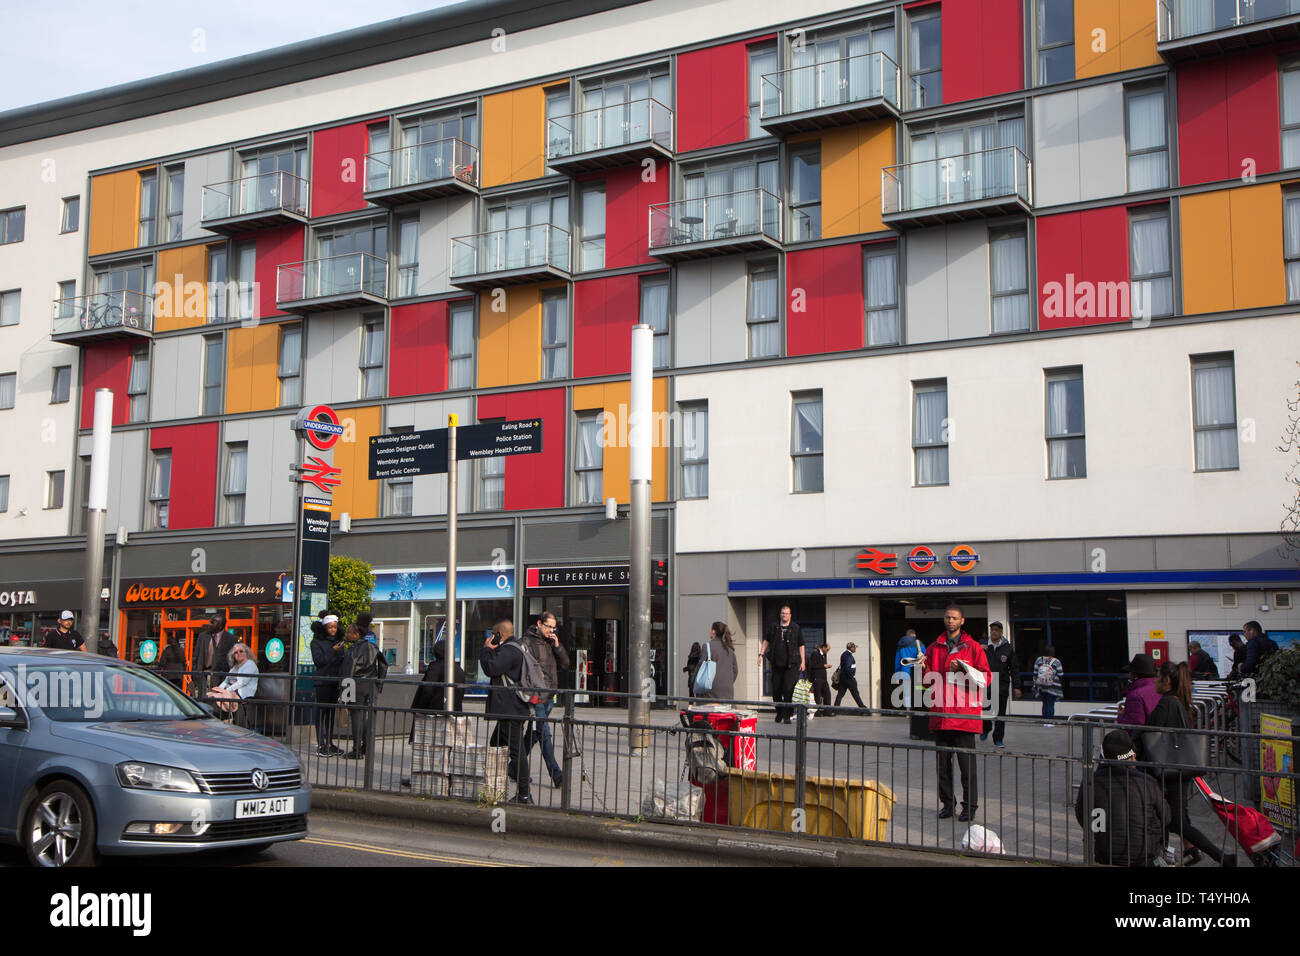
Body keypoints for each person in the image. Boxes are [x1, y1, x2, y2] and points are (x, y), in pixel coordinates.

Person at [1138, 661, 1236, 866]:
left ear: (1166, 681)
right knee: (1175, 817)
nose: (1155, 681)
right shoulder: (1178, 701)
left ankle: (1222, 857)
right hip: (1179, 768)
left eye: (1158, 677)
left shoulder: (1167, 703)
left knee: (1174, 820)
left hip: (1171, 770)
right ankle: (1189, 851)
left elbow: (1150, 731)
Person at [923, 605, 991, 822]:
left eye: (954, 618)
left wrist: (962, 669)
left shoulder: (973, 648)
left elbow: (986, 678)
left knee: (966, 767)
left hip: (964, 716)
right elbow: (928, 682)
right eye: (947, 617)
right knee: (943, 767)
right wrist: (923, 669)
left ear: (962, 621)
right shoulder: (934, 647)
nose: (950, 621)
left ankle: (969, 807)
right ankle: (947, 804)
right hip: (941, 715)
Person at [1074, 729, 1170, 867]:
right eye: (1134, 757)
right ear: (1131, 757)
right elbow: (1165, 817)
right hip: (1144, 854)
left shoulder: (1090, 781)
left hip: (1104, 853)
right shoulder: (1147, 782)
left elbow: (1082, 815)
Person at [480, 620, 533, 805]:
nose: (490, 637)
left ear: (499, 634)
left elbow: (490, 668)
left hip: (510, 709)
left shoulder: (509, 650)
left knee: (516, 752)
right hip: (512, 708)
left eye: (492, 634)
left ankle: (524, 795)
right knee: (495, 745)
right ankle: (495, 788)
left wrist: (487, 649)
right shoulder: (517, 647)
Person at [522, 612, 570, 788]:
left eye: (553, 627)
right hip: (537, 696)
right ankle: (557, 775)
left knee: (533, 734)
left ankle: (513, 767)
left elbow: (565, 664)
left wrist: (557, 646)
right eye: (548, 626)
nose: (551, 630)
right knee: (545, 735)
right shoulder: (528, 641)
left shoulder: (551, 642)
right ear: (539, 624)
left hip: (549, 695)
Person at [341, 622, 382, 759]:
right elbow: (383, 664)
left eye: (349, 632)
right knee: (364, 716)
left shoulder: (352, 649)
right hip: (371, 684)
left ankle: (356, 749)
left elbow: (348, 670)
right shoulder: (373, 647)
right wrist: (379, 682)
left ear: (357, 634)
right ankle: (365, 747)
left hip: (355, 684)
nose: (347, 634)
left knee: (356, 716)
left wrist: (343, 691)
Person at [759, 605, 804, 724]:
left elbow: (801, 645)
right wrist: (761, 654)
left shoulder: (795, 628)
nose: (784, 615)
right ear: (780, 614)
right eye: (783, 613)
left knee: (788, 690)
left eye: (787, 613)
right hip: (776, 665)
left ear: (790, 615)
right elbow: (766, 640)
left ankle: (787, 715)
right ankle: (779, 712)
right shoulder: (774, 627)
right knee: (776, 691)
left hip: (792, 665)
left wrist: (803, 661)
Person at [310, 615, 346, 757]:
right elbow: (319, 661)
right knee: (322, 712)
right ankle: (321, 744)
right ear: (324, 628)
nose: (333, 630)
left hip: (334, 680)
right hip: (322, 681)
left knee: (331, 713)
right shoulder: (316, 642)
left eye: (335, 627)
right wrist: (333, 650)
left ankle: (330, 743)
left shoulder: (339, 641)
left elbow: (341, 660)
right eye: (330, 627)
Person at [981, 622, 1021, 747]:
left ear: (1001, 632)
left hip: (1001, 685)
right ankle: (985, 728)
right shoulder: (983, 645)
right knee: (985, 710)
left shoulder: (1007, 648)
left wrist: (1017, 687)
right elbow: (967, 649)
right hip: (986, 684)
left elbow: (1014, 668)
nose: (994, 632)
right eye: (992, 629)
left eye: (997, 630)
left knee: (1000, 714)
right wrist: (978, 648)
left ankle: (998, 738)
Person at [208, 643, 259, 721]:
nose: (238, 653)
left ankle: (219, 717)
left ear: (246, 653)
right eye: (235, 652)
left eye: (241, 651)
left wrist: (226, 691)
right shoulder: (235, 666)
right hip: (231, 691)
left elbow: (242, 682)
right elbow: (226, 680)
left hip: (242, 692)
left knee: (220, 700)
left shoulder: (250, 664)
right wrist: (219, 689)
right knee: (211, 696)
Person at [193, 614, 236, 696]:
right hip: (202, 675)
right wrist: (195, 674)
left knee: (215, 703)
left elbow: (232, 661)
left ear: (220, 626)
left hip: (220, 677)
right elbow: (196, 656)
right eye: (210, 621)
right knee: (201, 701)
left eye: (213, 622)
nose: (209, 624)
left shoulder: (231, 639)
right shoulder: (203, 636)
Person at [1118, 653, 1160, 731]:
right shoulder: (1159, 688)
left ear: (1135, 675)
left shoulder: (1135, 695)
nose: (1129, 675)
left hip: (1143, 740)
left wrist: (1121, 716)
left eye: (1130, 672)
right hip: (1160, 738)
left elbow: (1132, 727)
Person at [698, 622, 739, 702]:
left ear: (714, 631)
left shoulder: (707, 647)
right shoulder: (730, 650)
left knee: (709, 713)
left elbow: (700, 667)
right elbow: (735, 671)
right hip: (728, 690)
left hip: (711, 690)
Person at [1030, 644, 1064, 725]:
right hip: (1052, 686)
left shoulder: (1039, 660)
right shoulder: (1056, 661)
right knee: (1050, 704)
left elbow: (1035, 673)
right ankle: (1050, 722)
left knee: (1044, 703)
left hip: (1041, 686)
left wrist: (1035, 684)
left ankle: (1045, 721)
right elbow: (1061, 674)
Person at [892, 630, 925, 709]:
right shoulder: (919, 643)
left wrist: (897, 674)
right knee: (918, 689)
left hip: (905, 669)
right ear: (914, 635)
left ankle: (908, 710)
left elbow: (897, 661)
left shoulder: (901, 645)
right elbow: (925, 657)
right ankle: (918, 708)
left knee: (907, 690)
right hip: (917, 669)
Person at [834, 641, 866, 708]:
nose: (855, 649)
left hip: (843, 678)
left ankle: (835, 709)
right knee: (855, 694)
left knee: (840, 694)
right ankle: (863, 708)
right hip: (849, 678)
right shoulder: (849, 656)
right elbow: (847, 668)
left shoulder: (843, 654)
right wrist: (851, 677)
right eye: (854, 647)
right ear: (850, 648)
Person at [807, 641, 832, 712]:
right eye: (827, 649)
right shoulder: (815, 654)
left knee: (827, 694)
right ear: (823, 647)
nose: (827, 651)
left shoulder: (823, 655)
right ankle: (816, 711)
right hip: (817, 678)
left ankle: (828, 711)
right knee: (817, 695)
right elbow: (812, 665)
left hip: (823, 678)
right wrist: (823, 666)